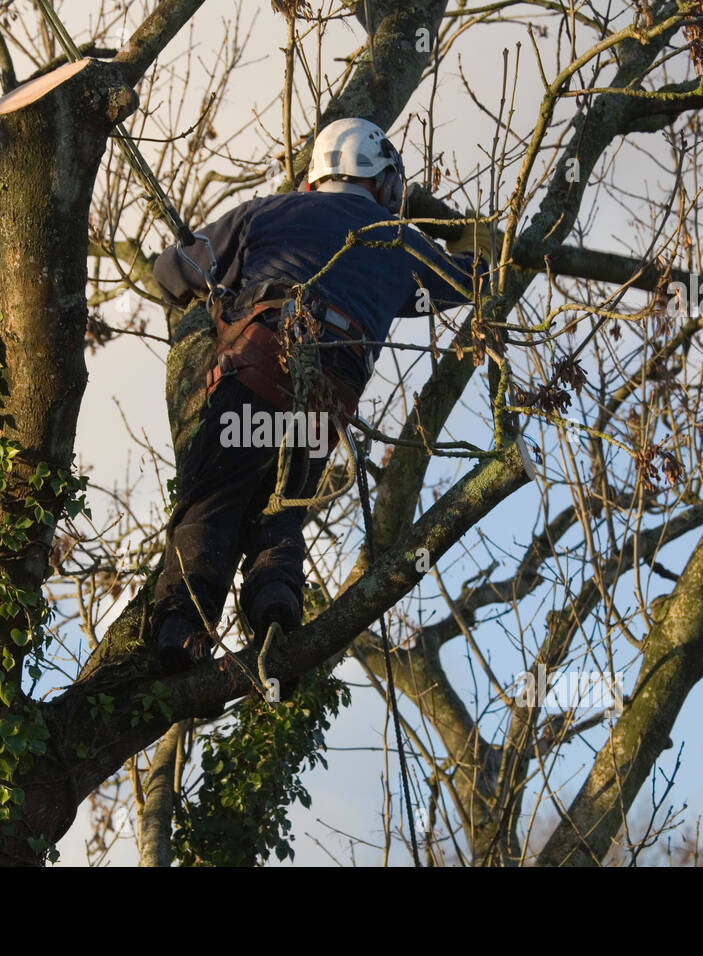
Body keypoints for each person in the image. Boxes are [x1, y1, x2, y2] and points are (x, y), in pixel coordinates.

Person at [150, 117, 488, 675]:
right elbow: (472, 277)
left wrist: (217, 277)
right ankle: (275, 609)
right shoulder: (402, 243)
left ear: (314, 177)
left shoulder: (268, 212)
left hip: (253, 377)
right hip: (322, 403)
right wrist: (480, 240)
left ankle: (181, 631)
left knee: (216, 501)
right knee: (281, 511)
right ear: (383, 184)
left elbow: (170, 273)